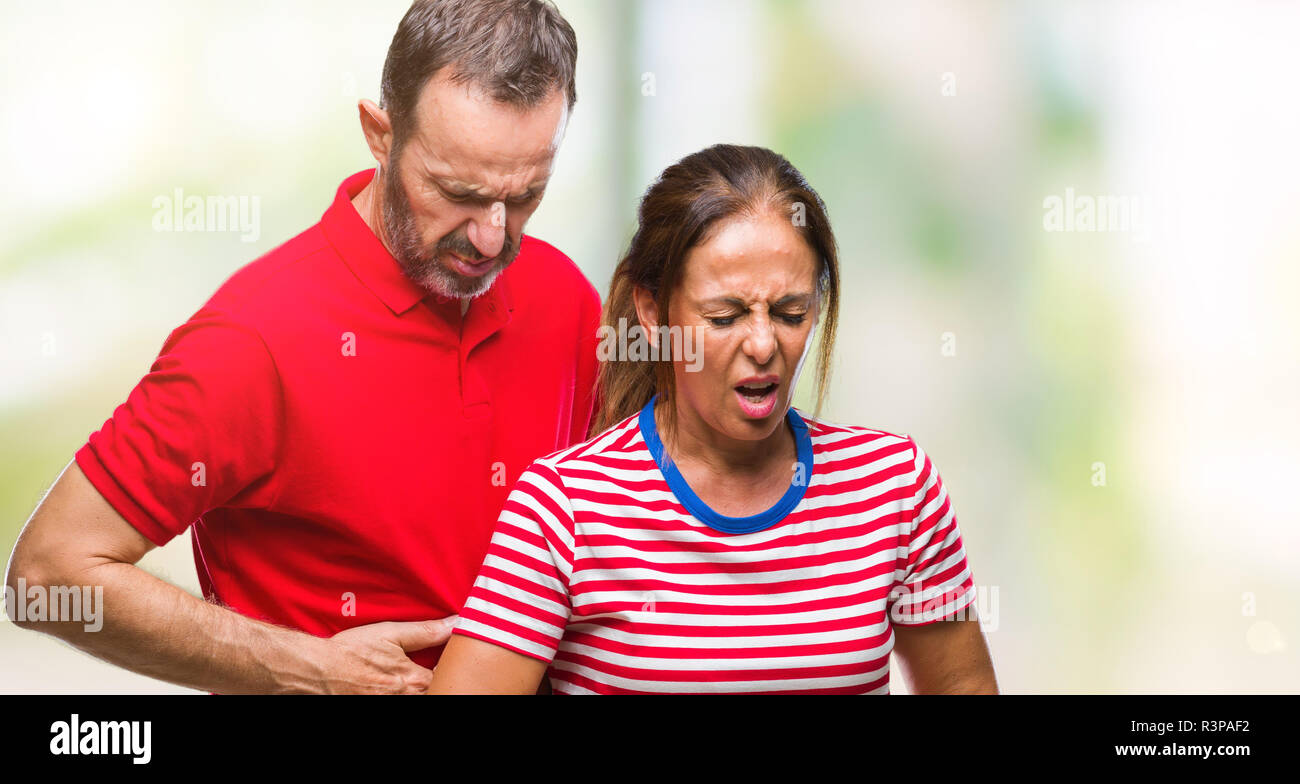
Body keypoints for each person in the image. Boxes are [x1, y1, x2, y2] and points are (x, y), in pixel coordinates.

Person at [5, 0, 598, 694]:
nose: (492, 238)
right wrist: (311, 669)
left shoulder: (566, 296)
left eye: (525, 195)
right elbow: (47, 574)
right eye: (456, 191)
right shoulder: (252, 340)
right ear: (380, 134)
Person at [428, 144, 999, 694]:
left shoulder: (898, 487)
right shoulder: (565, 509)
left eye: (790, 313)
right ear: (653, 313)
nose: (762, 344)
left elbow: (963, 685)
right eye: (724, 316)